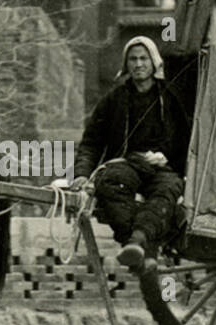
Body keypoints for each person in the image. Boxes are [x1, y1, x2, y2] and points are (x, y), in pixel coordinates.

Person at [69, 36, 191, 273]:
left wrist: (167, 158)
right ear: (126, 65)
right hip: (126, 164)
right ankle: (136, 245)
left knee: (168, 190)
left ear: (154, 63)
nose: (138, 64)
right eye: (133, 59)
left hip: (162, 168)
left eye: (144, 58)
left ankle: (138, 242)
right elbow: (91, 142)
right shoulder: (114, 99)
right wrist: (82, 174)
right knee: (109, 184)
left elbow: (188, 142)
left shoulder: (172, 98)